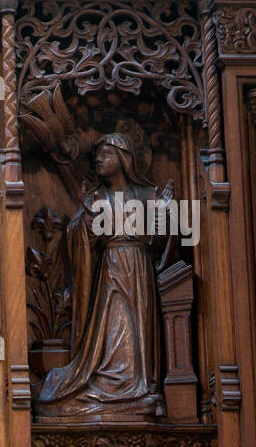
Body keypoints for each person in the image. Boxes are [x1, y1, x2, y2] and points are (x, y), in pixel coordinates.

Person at [35, 132, 166, 419]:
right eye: (96, 156)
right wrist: (85, 223)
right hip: (111, 266)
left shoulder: (147, 195)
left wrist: (162, 216)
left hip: (139, 267)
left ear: (124, 158)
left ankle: (139, 388)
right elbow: (81, 237)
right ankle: (116, 386)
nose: (98, 160)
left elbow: (157, 243)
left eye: (105, 154)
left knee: (138, 324)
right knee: (116, 321)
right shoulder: (96, 198)